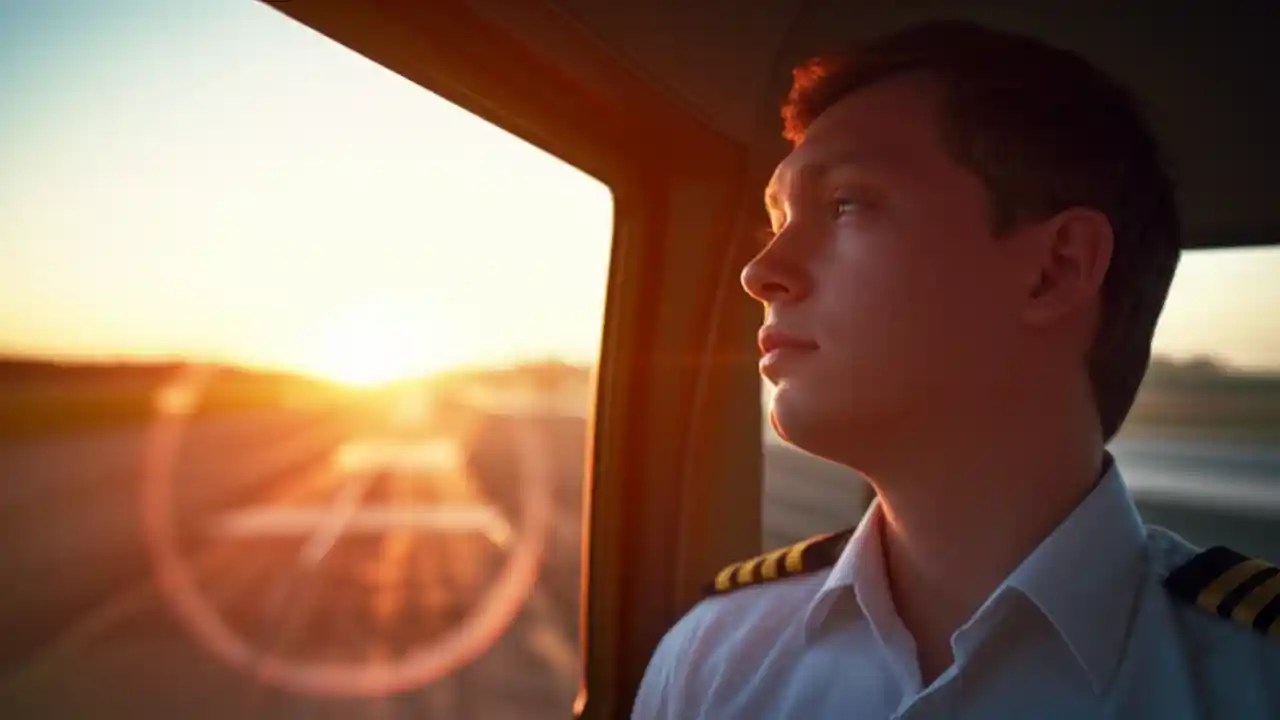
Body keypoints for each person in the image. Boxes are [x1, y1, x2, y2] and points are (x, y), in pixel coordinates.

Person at [632, 20, 1279, 720]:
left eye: (846, 204)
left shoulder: (1257, 679)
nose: (761, 273)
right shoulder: (709, 661)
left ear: (1053, 269)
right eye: (778, 220)